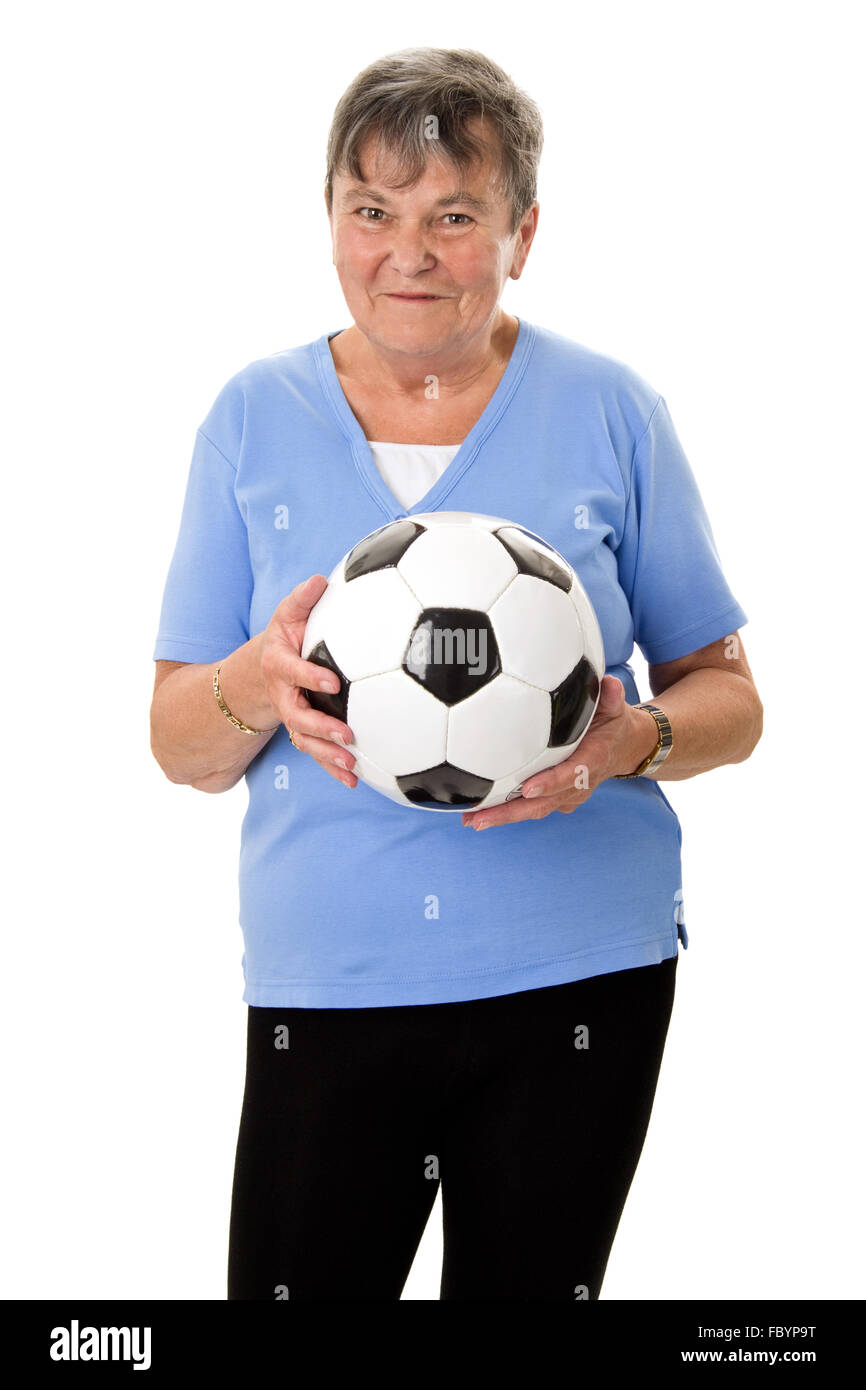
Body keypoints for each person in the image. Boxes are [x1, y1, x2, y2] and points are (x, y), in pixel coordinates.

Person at [150, 47, 763, 1302]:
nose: (406, 253)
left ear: (521, 233)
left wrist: (616, 744)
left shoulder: (610, 410)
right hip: (335, 978)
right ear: (330, 218)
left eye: (453, 217)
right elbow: (175, 743)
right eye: (371, 211)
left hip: (579, 969)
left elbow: (728, 696)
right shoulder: (250, 418)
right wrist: (260, 682)